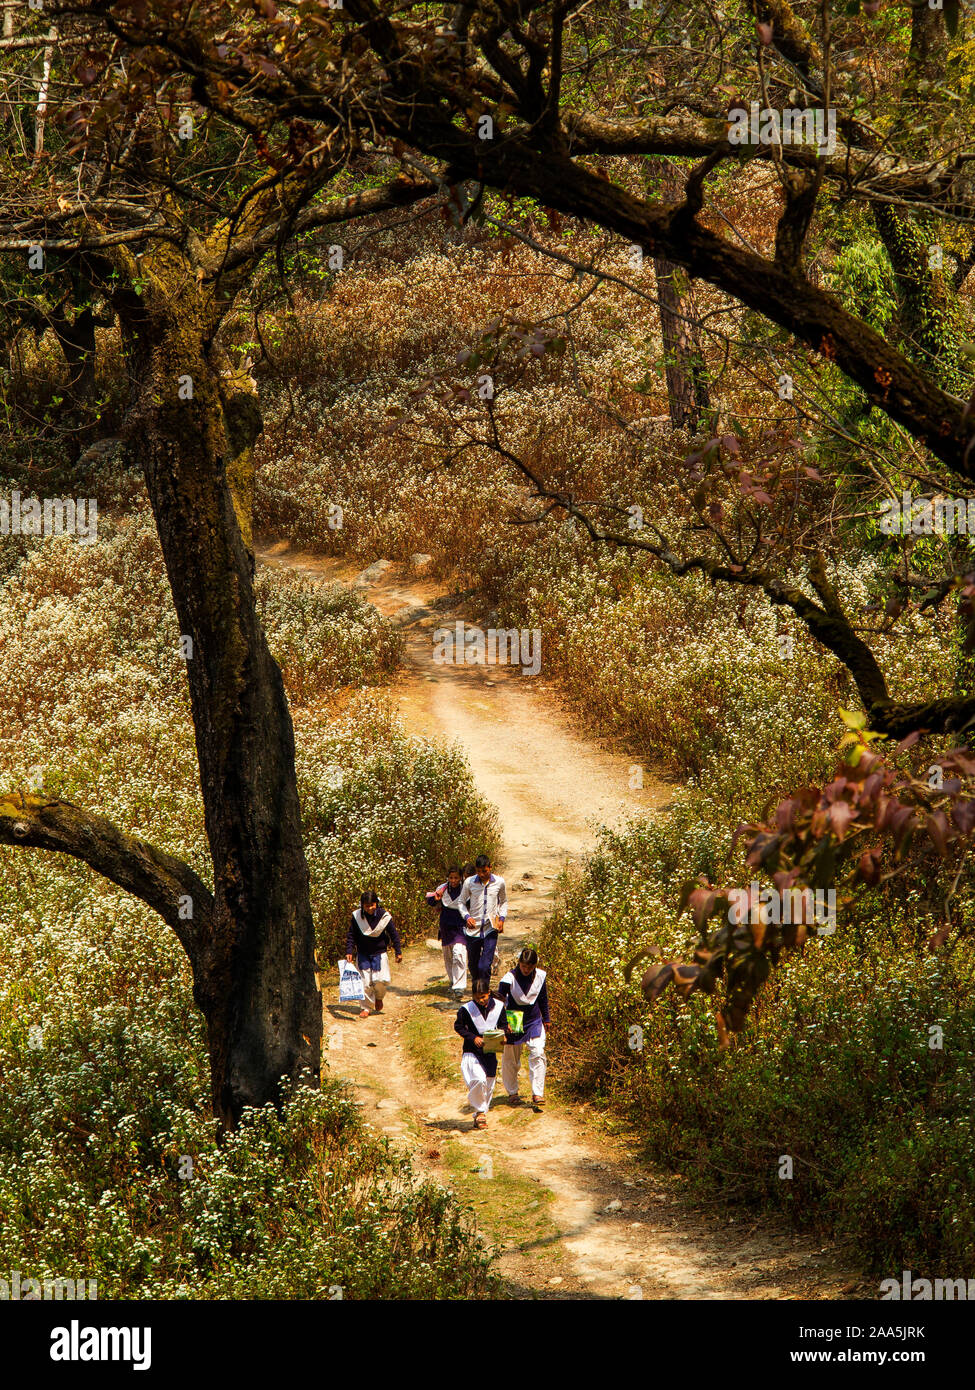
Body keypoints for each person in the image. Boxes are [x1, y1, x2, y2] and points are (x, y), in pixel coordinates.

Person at [498, 947, 549, 1111]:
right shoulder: (509, 979)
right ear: (519, 963)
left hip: (534, 1018)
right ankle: (512, 1092)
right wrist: (504, 1024)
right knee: (511, 1057)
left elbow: (543, 998)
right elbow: (499, 1003)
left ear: (534, 965)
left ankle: (537, 1093)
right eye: (523, 966)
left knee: (538, 1051)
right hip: (514, 1017)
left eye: (529, 967)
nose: (526, 970)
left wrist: (546, 1019)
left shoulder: (540, 976)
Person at [454, 977, 508, 1129]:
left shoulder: (499, 1007)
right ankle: (480, 1112)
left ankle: (481, 1112)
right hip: (472, 1051)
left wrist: (503, 1035)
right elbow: (459, 1027)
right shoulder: (466, 1009)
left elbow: (503, 1025)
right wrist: (473, 1037)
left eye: (483, 997)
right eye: (477, 998)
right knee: (478, 1079)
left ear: (489, 993)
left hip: (490, 1052)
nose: (481, 1001)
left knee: (489, 1083)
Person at [345, 890, 403, 1019]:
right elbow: (351, 935)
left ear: (376, 903)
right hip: (363, 953)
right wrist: (349, 951)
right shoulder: (357, 917)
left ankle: (379, 997)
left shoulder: (384, 917)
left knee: (380, 981)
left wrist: (398, 951)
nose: (370, 908)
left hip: (379, 953)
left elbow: (393, 934)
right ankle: (366, 1007)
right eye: (366, 906)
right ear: (362, 906)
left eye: (372, 905)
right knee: (365, 983)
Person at [459, 855, 507, 982]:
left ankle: (484, 992)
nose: (481, 874)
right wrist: (467, 917)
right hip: (473, 929)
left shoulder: (499, 882)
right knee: (473, 966)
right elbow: (461, 902)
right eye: (479, 871)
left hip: (490, 928)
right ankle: (477, 990)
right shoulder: (469, 882)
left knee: (485, 966)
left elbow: (503, 902)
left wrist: (502, 918)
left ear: (490, 868)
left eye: (484, 871)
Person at [425, 866, 468, 997]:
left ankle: (460, 986)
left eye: (456, 877)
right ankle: (453, 981)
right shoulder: (442, 889)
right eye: (451, 878)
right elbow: (430, 900)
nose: (453, 880)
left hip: (460, 926)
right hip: (446, 927)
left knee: (459, 953)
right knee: (448, 956)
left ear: (461, 877)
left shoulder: (466, 888)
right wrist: (436, 898)